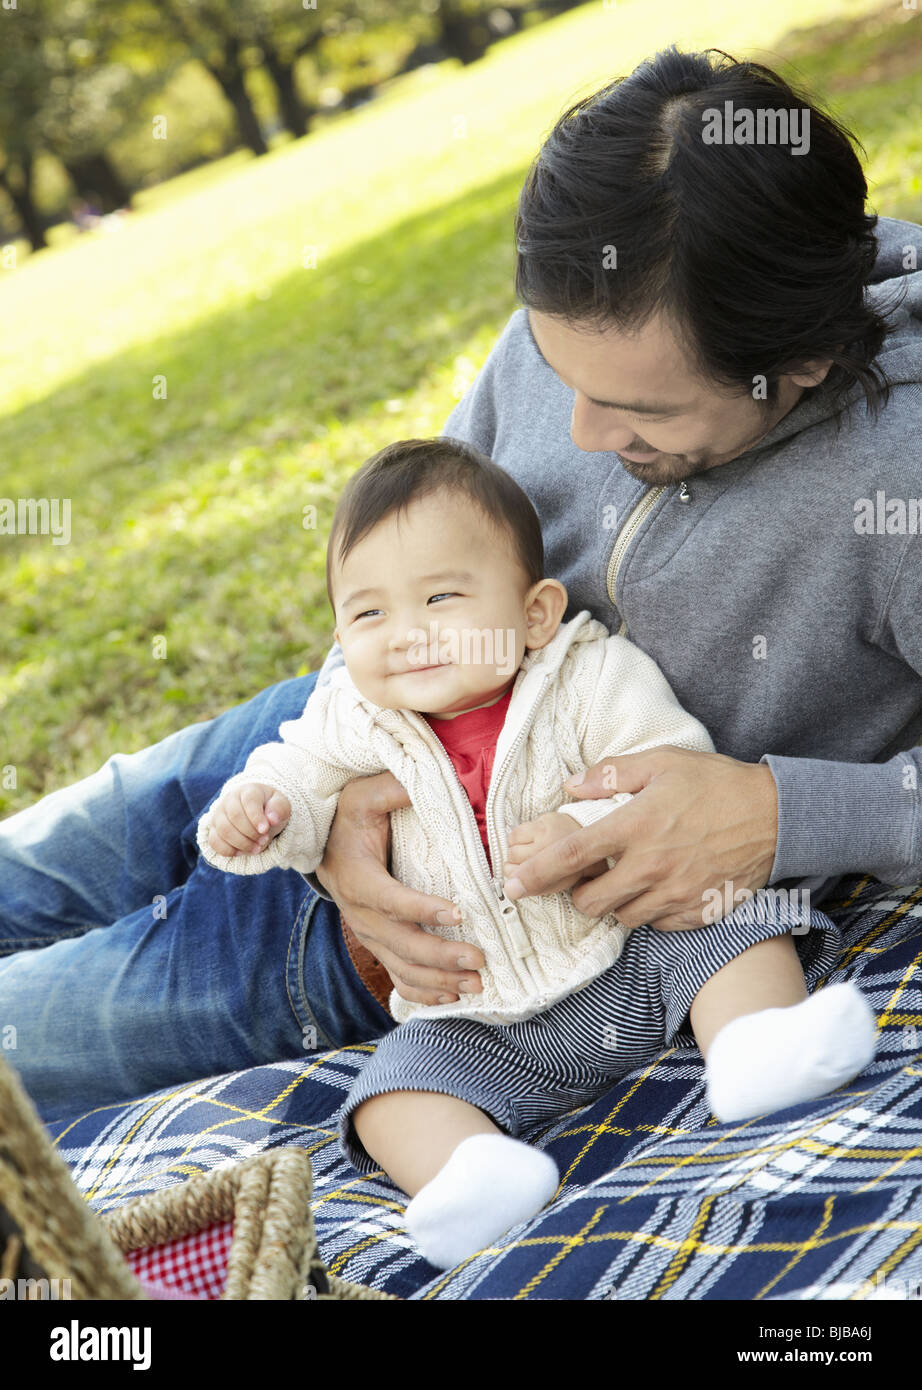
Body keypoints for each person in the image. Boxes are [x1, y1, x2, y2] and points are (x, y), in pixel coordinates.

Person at [0, 47, 919, 1126]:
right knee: (33, 863)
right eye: (556, 371)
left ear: (797, 363)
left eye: (641, 414)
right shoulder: (602, 305)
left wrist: (781, 811)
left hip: (404, 950)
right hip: (298, 749)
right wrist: (334, 808)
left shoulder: (895, 478)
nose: (574, 431)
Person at [196, 436, 876, 1269]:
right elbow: (296, 777)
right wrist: (265, 811)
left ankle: (754, 1046)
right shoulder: (354, 716)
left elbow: (670, 765)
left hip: (630, 950)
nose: (406, 636)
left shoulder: (588, 679)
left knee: (737, 922)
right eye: (368, 614)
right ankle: (475, 1175)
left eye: (440, 598)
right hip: (479, 1016)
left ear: (534, 614)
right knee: (388, 1092)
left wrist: (589, 831)